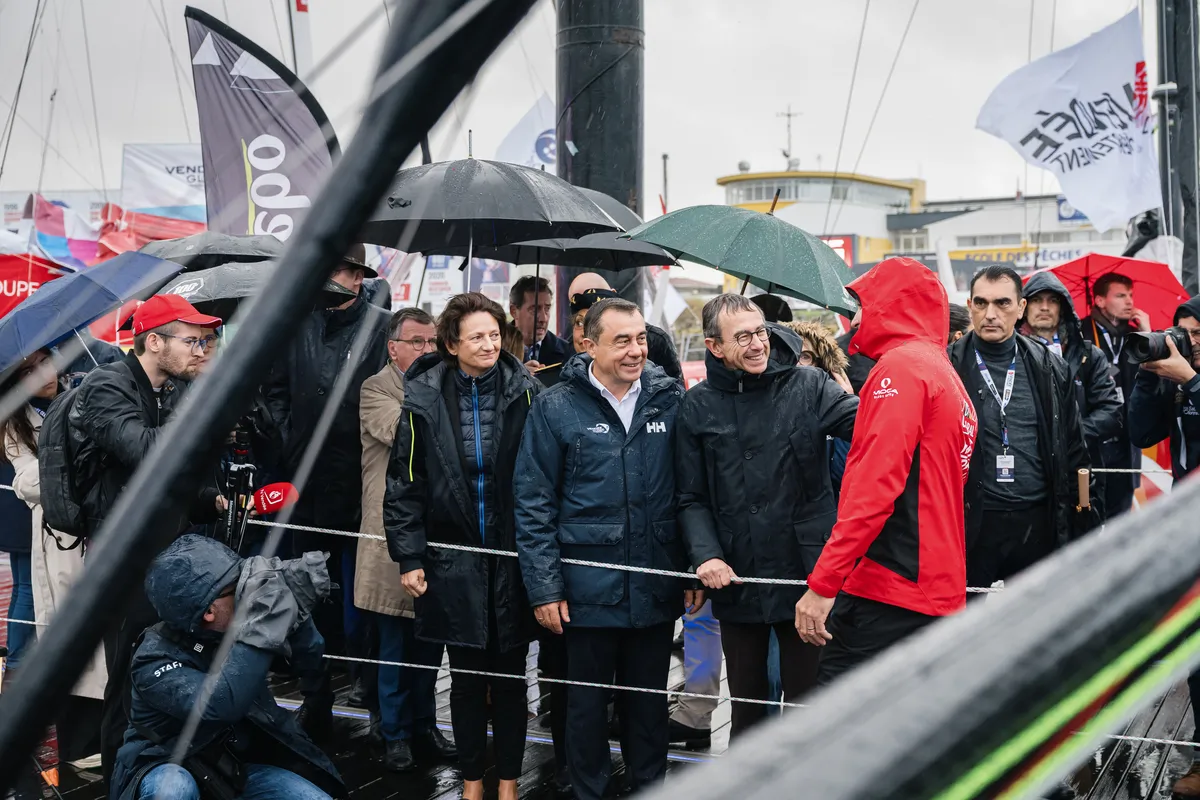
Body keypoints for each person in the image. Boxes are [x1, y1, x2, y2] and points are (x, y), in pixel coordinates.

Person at [514, 297, 696, 800]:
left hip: (655, 583)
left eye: (640, 338)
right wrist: (544, 588)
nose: (636, 350)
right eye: (622, 341)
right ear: (588, 344)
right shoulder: (555, 405)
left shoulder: (669, 398)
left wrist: (691, 571)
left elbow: (689, 493)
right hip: (585, 590)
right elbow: (532, 503)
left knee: (647, 706)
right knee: (584, 708)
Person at [677, 293, 858, 737]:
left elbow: (871, 427)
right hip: (738, 575)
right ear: (714, 346)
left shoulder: (809, 385)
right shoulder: (696, 405)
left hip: (805, 575)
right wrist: (705, 557)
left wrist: (878, 395)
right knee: (747, 709)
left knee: (810, 706)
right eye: (742, 337)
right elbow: (689, 496)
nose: (757, 344)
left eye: (760, 332)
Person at [66, 293, 227, 785]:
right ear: (153, 342)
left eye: (207, 340)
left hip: (171, 550)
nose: (203, 350)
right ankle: (120, 779)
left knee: (174, 664)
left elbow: (180, 476)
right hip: (122, 557)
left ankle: (166, 773)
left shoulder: (171, 390)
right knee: (128, 676)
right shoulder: (105, 386)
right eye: (193, 340)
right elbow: (150, 454)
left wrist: (212, 500)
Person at [384, 293, 540, 800]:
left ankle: (510, 784)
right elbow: (404, 484)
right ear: (452, 343)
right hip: (450, 561)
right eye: (476, 336)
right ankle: (472, 783)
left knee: (512, 679)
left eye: (495, 334)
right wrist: (409, 555)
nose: (489, 343)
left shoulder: (528, 392)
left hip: (514, 559)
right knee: (468, 679)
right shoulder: (422, 399)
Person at [794, 257, 978, 682]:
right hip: (932, 581)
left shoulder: (899, 369)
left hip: (892, 581)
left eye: (861, 303)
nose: (854, 318)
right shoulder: (943, 370)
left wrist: (823, 584)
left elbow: (874, 490)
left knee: (836, 717)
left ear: (890, 305)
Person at [109, 535, 344, 800]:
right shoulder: (153, 659)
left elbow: (309, 661)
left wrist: (295, 613)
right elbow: (219, 704)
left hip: (235, 766)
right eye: (239, 588)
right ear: (209, 611)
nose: (250, 593)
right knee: (172, 790)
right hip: (167, 763)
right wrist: (264, 623)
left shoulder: (232, 627)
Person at [264, 243, 390, 734]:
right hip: (303, 479)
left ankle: (368, 685)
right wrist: (288, 442)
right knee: (304, 588)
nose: (349, 281)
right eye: (341, 270)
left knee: (365, 594)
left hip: (360, 480)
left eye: (355, 273)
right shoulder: (295, 322)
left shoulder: (381, 324)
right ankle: (314, 691)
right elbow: (273, 391)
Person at [353, 308, 456, 772]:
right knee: (393, 647)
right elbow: (406, 434)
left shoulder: (438, 386)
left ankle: (424, 726)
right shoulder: (376, 389)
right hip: (389, 541)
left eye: (433, 342)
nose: (426, 350)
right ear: (393, 348)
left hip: (432, 538)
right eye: (416, 342)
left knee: (429, 647)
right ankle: (394, 733)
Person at [948, 265, 1093, 589]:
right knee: (965, 627)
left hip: (1036, 520)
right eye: (981, 303)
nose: (990, 314)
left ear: (1021, 308)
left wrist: (1083, 517)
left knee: (1035, 625)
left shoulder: (1050, 366)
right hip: (973, 523)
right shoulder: (948, 365)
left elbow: (1073, 445)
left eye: (1002, 303)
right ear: (969, 305)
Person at [2, 349, 107, 764]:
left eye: (47, 362)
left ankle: (105, 734)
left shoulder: (84, 393)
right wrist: (79, 465)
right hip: (56, 540)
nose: (43, 374)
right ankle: (77, 740)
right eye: (28, 369)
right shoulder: (14, 421)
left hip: (100, 534)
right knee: (59, 625)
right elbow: (28, 479)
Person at [1126, 296, 1200, 797]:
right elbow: (1141, 430)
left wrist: (1194, 382)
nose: (1189, 342)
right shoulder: (1176, 376)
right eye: (1183, 333)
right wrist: (1153, 375)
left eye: (1197, 334)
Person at [1022, 272, 1123, 522]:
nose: (1044, 307)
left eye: (1052, 300)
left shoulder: (1089, 355)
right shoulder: (1010, 355)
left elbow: (1111, 412)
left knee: (1084, 547)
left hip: (1081, 472)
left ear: (1063, 307)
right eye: (1036, 300)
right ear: (1023, 306)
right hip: (1028, 473)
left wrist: (1069, 437)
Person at [1082, 273, 1150, 517]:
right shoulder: (1080, 334)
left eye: (1131, 295)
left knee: (1121, 516)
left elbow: (1156, 380)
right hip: (1093, 439)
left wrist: (1148, 335)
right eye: (1121, 296)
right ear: (1100, 301)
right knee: (1088, 515)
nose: (1129, 302)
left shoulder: (1137, 336)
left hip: (1126, 440)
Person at [565, 273, 683, 379]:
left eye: (640, 339)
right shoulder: (567, 354)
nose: (635, 352)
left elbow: (674, 390)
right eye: (579, 323)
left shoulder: (655, 340)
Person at [510, 275, 571, 372]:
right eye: (534, 309)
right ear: (514, 311)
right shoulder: (495, 349)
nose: (543, 318)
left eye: (547, 309)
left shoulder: (567, 352)